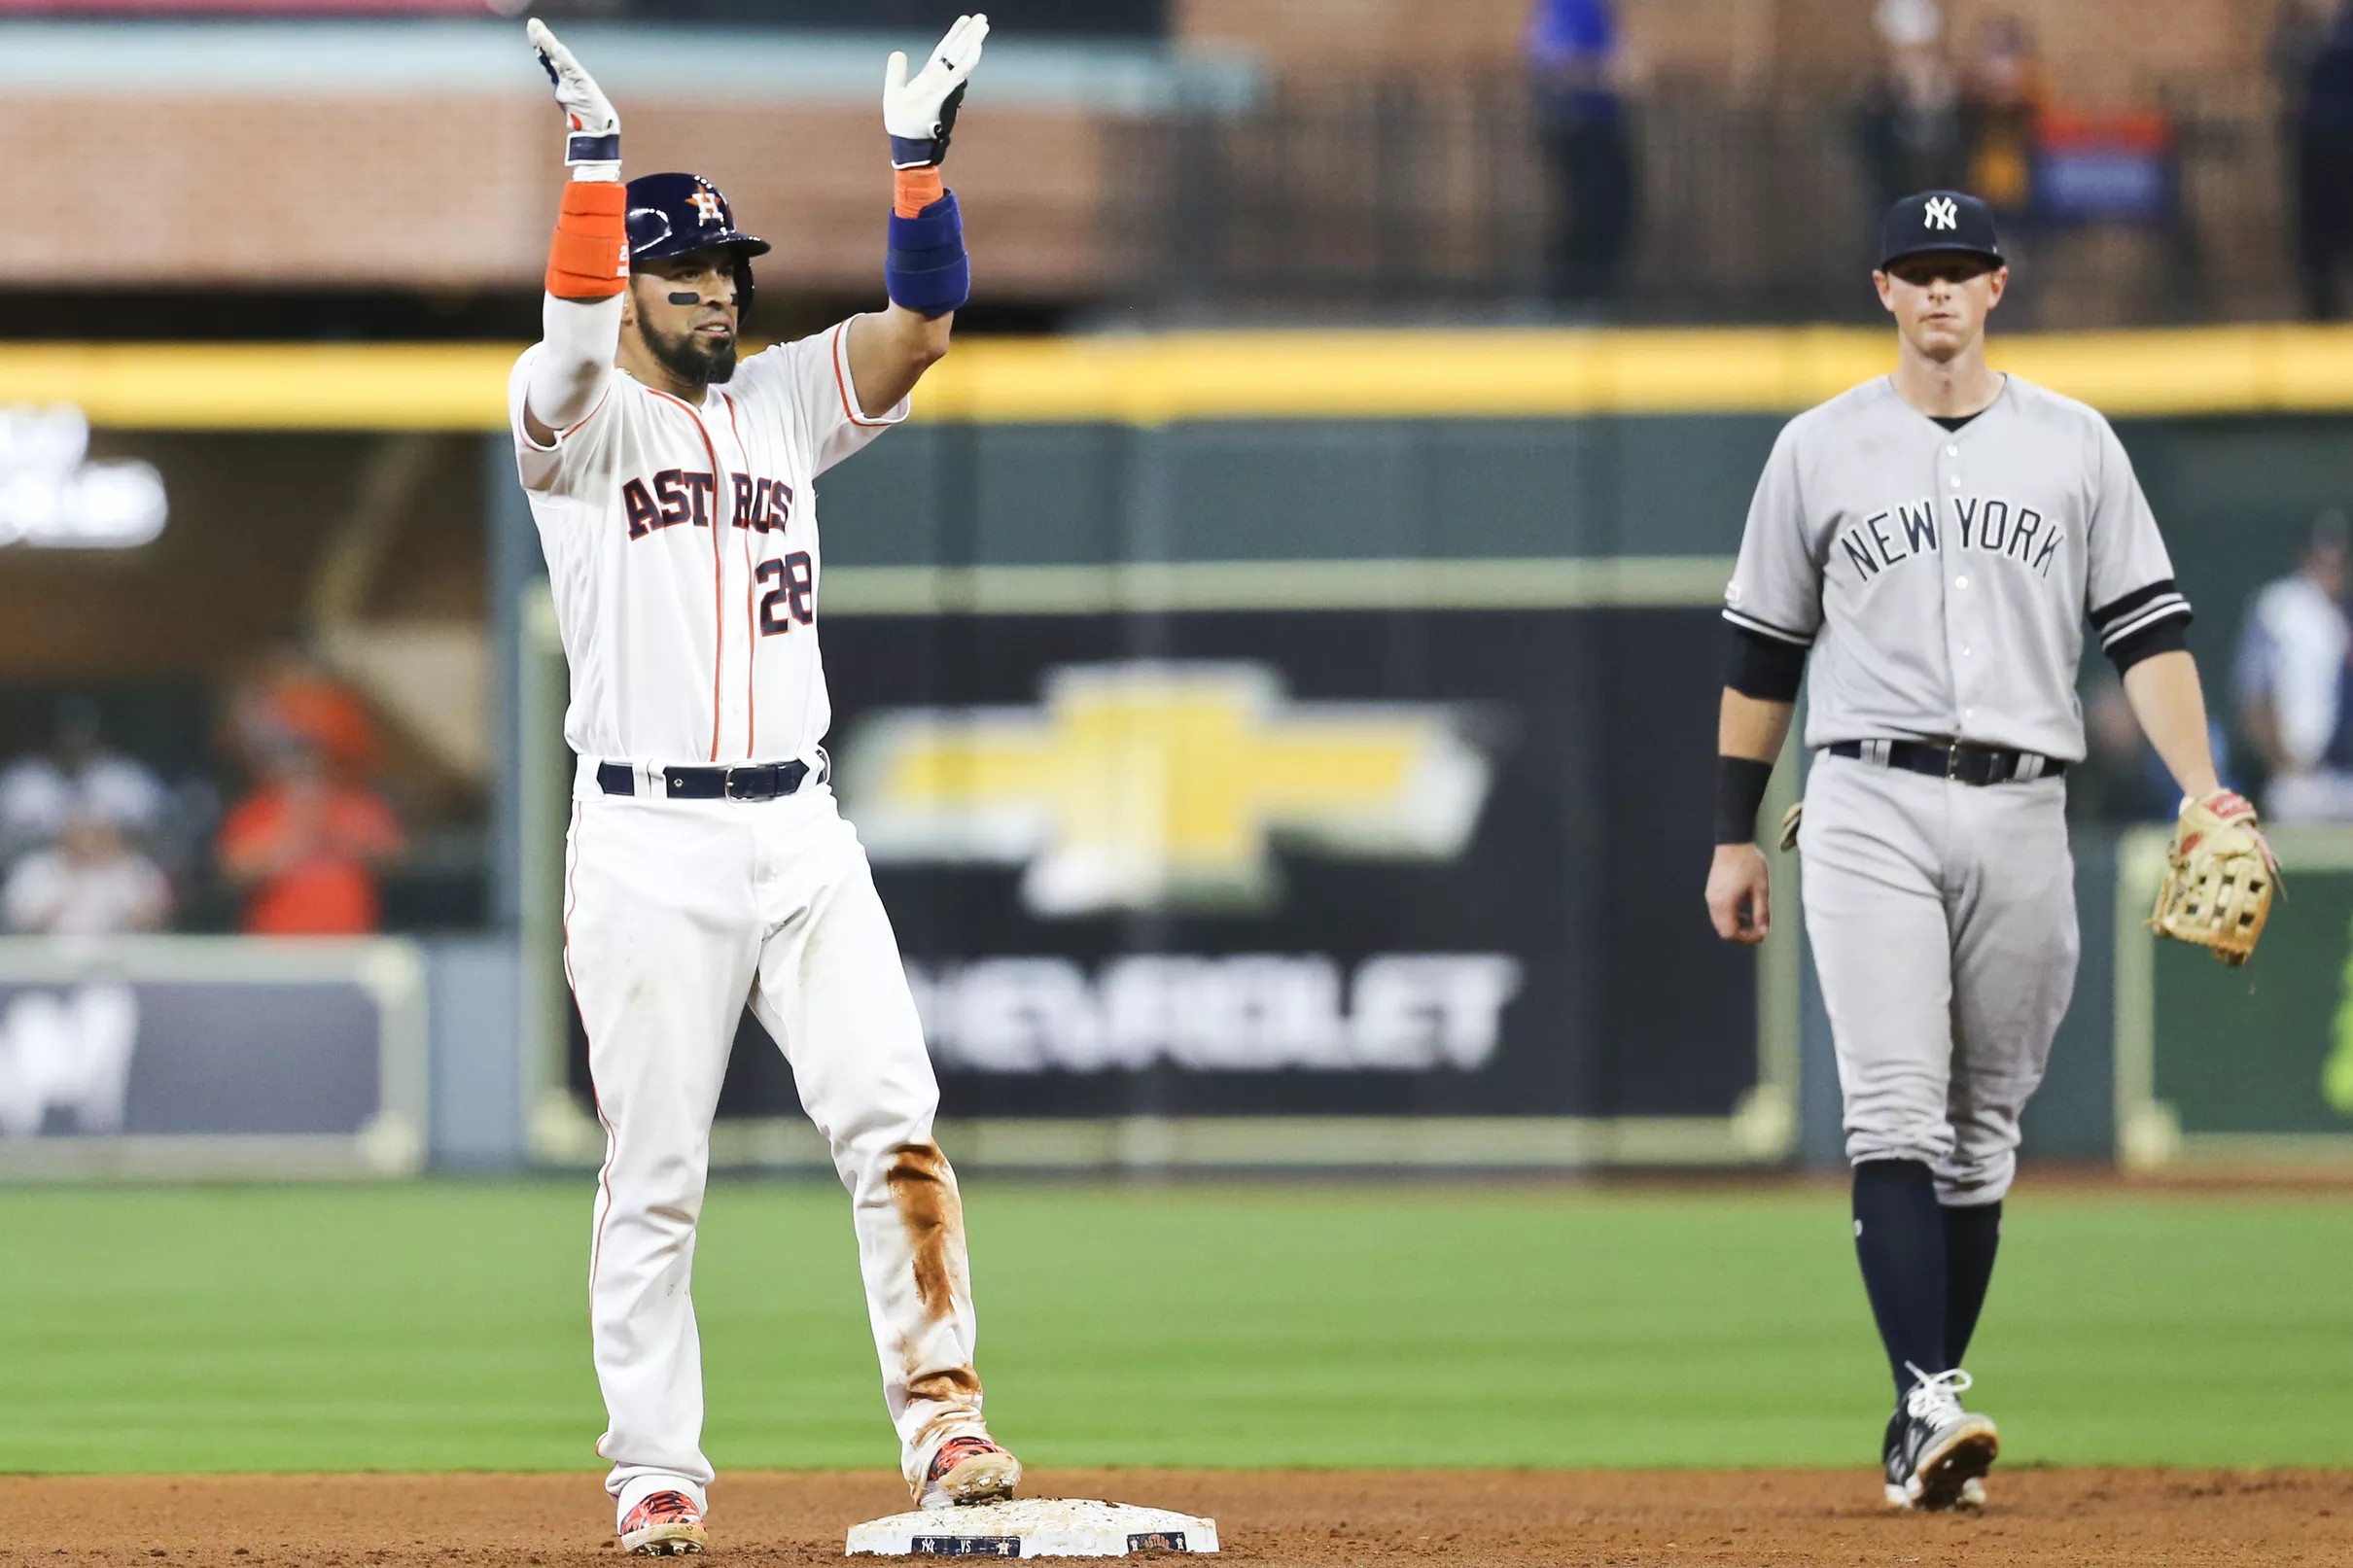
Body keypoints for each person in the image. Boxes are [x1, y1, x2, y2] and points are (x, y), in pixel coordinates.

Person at [511, 17, 1014, 1556]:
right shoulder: (575, 420)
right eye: (690, 270)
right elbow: (581, 333)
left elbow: (922, 327)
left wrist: (918, 166)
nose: (718, 288)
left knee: (893, 1118)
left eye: (728, 267)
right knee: (655, 1172)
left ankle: (946, 1426)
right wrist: (594, 171)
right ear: (636, 286)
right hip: (648, 833)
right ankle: (656, 1472)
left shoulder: (784, 399)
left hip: (798, 826)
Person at [1703, 191, 2247, 1512]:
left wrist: (2207, 790)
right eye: (1916, 268)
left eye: (1962, 268)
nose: (1939, 290)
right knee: (1892, 1102)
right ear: (1881, 288)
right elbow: (1762, 649)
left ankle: (1927, 1406)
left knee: (1982, 1130)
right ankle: (1926, 1399)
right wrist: (1732, 831)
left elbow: (2148, 634)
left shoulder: (2074, 444)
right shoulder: (1819, 449)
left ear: (1999, 286)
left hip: (2023, 804)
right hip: (1867, 798)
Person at [215, 741, 403, 936]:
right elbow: (232, 870)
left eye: (311, 766)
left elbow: (395, 856)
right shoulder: (256, 813)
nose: (304, 774)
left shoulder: (355, 807)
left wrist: (342, 840)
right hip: (277, 939)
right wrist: (289, 842)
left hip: (352, 936)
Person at [2234, 511, 2353, 819]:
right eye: (2322, 557)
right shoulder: (2280, 606)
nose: (2331, 568)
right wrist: (2281, 764)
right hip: (2300, 779)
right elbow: (2254, 696)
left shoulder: (2344, 613)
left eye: (2338, 559)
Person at [1524, 0, 1636, 304]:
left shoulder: (1594, 8)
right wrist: (1604, 73)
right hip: (1577, 125)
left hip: (1602, 124)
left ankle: (1591, 289)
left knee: (1614, 207)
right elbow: (1548, 62)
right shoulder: (1568, 6)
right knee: (1590, 209)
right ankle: (1572, 294)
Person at [0, 698, 168, 866]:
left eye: (83, 735)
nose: (74, 743)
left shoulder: (129, 778)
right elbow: (7, 848)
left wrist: (109, 837)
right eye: (66, 736)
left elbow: (159, 841)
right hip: (44, 876)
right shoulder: (22, 780)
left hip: (114, 871)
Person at [1860, 0, 1968, 217]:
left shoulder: (1950, 91)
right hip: (1893, 203)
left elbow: (1954, 150)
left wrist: (1929, 100)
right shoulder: (1877, 98)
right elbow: (1875, 156)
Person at [0, 812, 170, 937]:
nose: (89, 845)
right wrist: (68, 887)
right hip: (43, 959)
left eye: (98, 837)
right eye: (81, 838)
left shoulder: (135, 868)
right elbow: (22, 925)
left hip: (122, 959)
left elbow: (154, 922)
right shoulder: (35, 869)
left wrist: (114, 884)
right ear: (63, 840)